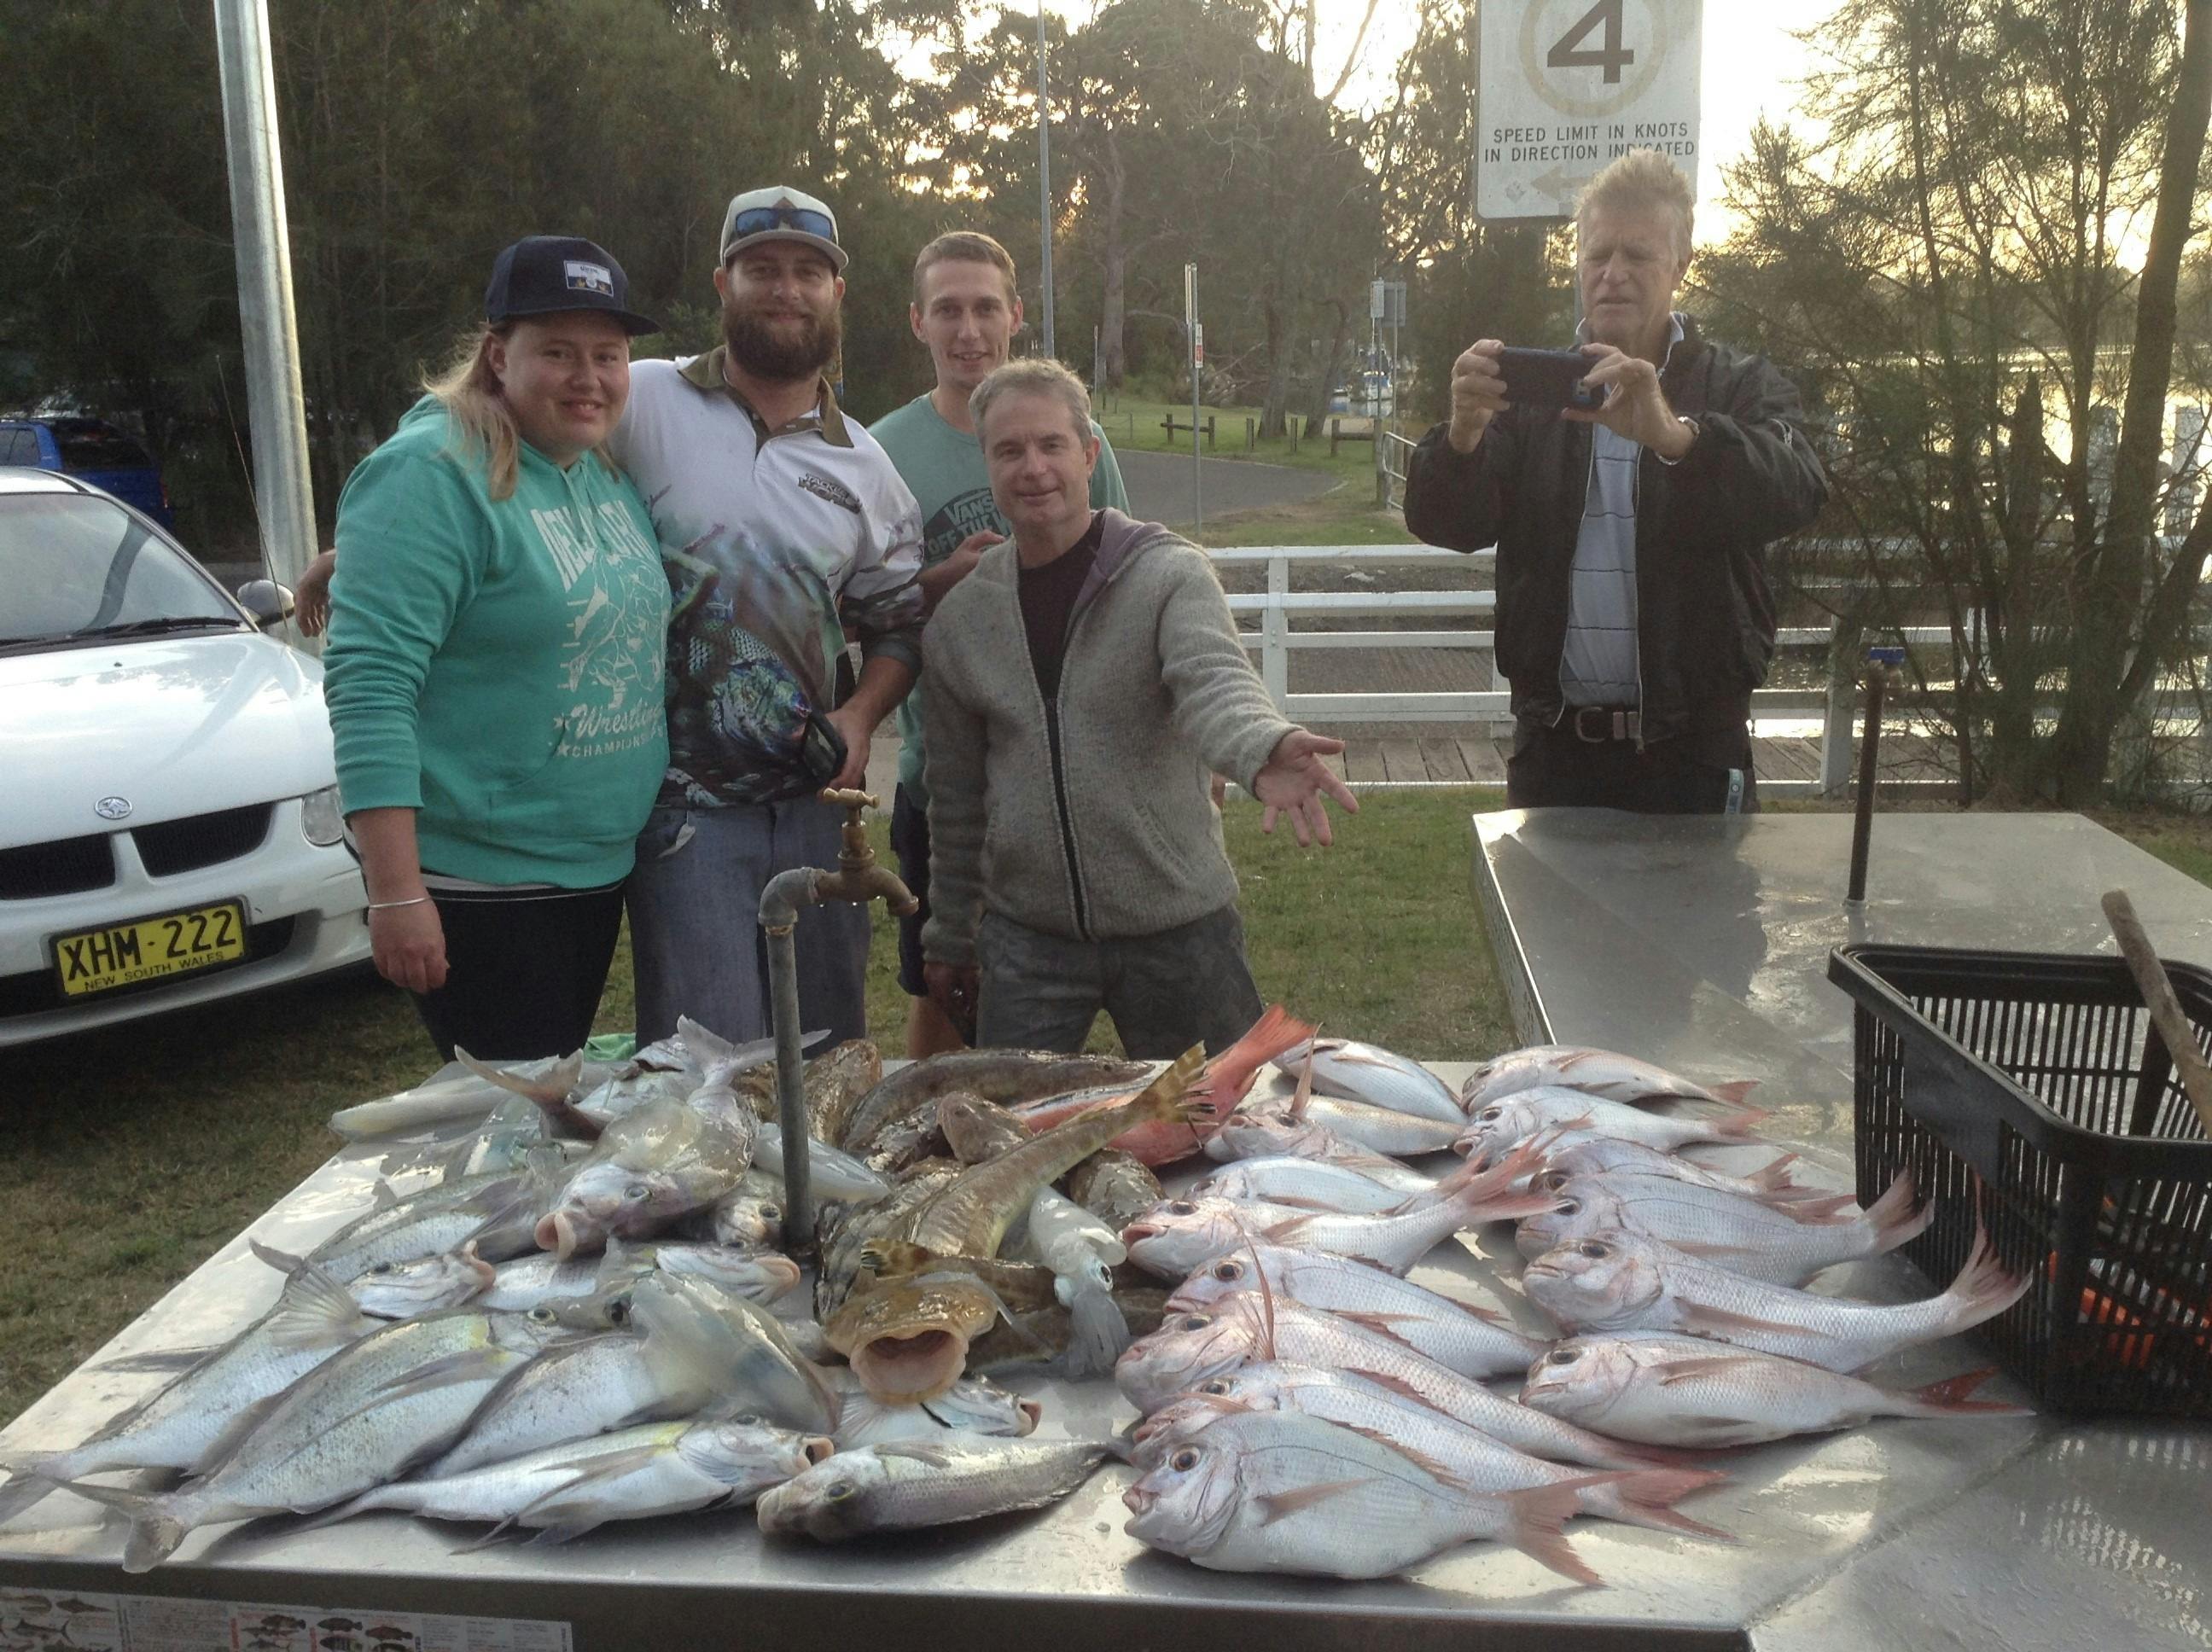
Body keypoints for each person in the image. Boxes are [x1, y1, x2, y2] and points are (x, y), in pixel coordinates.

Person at [919, 358, 1357, 1057]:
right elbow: (957, 797)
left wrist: (1260, 746)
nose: (1033, 467)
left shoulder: (1167, 575)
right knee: (1019, 1147)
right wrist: (948, 934)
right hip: (1029, 942)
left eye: (1051, 445)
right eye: (1010, 450)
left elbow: (1213, 680)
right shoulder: (961, 623)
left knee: (1221, 1135)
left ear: (1089, 455)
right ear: (988, 464)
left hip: (1178, 929)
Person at [323, 236, 671, 1061]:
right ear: (496, 355)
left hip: (587, 870)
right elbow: (370, 686)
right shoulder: (431, 474)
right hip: (484, 882)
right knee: (516, 1134)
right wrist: (395, 893)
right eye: (556, 351)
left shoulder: (595, 468)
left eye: (608, 354)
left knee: (547, 1108)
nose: (588, 376)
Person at [1404, 148, 1829, 812]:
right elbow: (1449, 525)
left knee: (1703, 923)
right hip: (1554, 754)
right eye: (1598, 256)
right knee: (1543, 924)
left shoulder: (1737, 384)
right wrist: (1460, 439)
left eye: (1638, 256)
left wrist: (1674, 437)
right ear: (1577, 263)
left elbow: (1798, 485)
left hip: (1694, 754)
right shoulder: (1533, 394)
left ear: (1681, 265)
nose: (1613, 276)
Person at [609, 185, 924, 1048]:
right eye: (762, 270)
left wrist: (860, 717)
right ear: (723, 283)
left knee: (827, 1054)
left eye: (807, 273)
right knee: (710, 1065)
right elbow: (504, 424)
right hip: (684, 814)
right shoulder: (639, 398)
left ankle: (812, 1194)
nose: (786, 289)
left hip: (819, 809)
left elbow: (899, 623)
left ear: (836, 294)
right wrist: (388, 537)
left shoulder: (865, 463)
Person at [869, 231, 1131, 1058]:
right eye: (948, 309)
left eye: (986, 307)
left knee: (1107, 987)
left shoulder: (1078, 437)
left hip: (1085, 778)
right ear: (918, 321)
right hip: (944, 780)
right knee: (947, 990)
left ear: (1016, 315)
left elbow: (1133, 581)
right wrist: (942, 584)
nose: (968, 328)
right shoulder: (879, 452)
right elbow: (861, 611)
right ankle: (926, 1161)